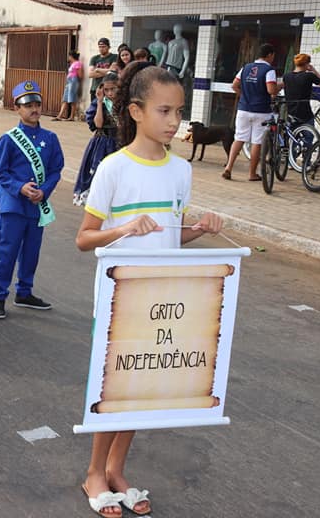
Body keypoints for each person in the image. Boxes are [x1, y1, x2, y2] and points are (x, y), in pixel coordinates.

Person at [76, 61, 223, 518]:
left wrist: (200, 229)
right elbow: (84, 238)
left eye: (179, 112)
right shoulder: (113, 168)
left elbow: (172, 236)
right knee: (115, 390)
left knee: (144, 388)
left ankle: (117, 469)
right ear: (136, 111)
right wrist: (124, 229)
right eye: (164, 111)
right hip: (121, 300)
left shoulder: (180, 170)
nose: (175, 121)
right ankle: (94, 473)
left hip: (166, 299)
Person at [0, 81, 64, 320]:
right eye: (28, 105)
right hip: (13, 205)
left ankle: (24, 292)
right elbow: (0, 173)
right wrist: (20, 187)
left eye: (37, 104)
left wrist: (45, 191)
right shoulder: (8, 139)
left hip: (36, 205)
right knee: (6, 251)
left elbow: (56, 170)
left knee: (31, 251)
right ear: (17, 108)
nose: (34, 109)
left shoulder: (50, 138)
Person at [222, 43, 279, 181]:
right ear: (270, 55)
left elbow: (234, 86)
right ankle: (252, 174)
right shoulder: (269, 70)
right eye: (273, 56)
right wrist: (280, 86)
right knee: (256, 142)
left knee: (239, 138)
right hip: (261, 111)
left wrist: (244, 96)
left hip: (243, 109)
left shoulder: (246, 68)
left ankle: (228, 168)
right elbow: (271, 90)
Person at [73, 72, 120, 206]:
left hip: (119, 144)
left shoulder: (125, 103)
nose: (110, 93)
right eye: (106, 90)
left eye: (113, 89)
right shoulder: (100, 103)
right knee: (97, 176)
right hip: (102, 144)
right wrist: (99, 102)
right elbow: (98, 124)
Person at [55, 50, 83, 121]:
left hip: (73, 82)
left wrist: (76, 82)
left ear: (71, 56)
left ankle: (71, 116)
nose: (68, 57)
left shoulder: (78, 63)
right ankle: (59, 116)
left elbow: (80, 75)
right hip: (69, 82)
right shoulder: (72, 64)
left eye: (69, 56)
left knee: (72, 99)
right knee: (65, 99)